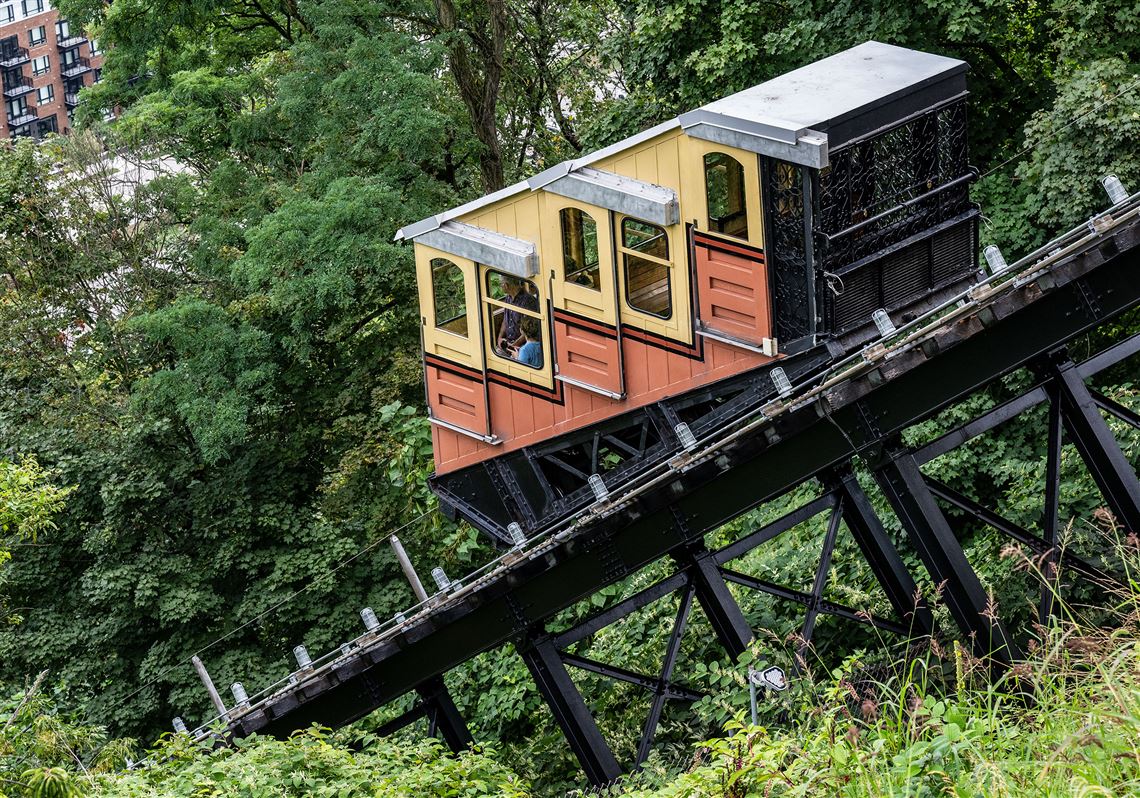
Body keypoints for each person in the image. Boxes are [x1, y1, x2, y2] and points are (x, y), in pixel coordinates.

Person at [496, 276, 539, 354]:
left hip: (523, 346)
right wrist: (500, 338)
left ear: (506, 285)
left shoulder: (528, 301)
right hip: (509, 343)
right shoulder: (508, 298)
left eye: (500, 284)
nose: (500, 286)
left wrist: (513, 345)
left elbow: (529, 330)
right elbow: (505, 320)